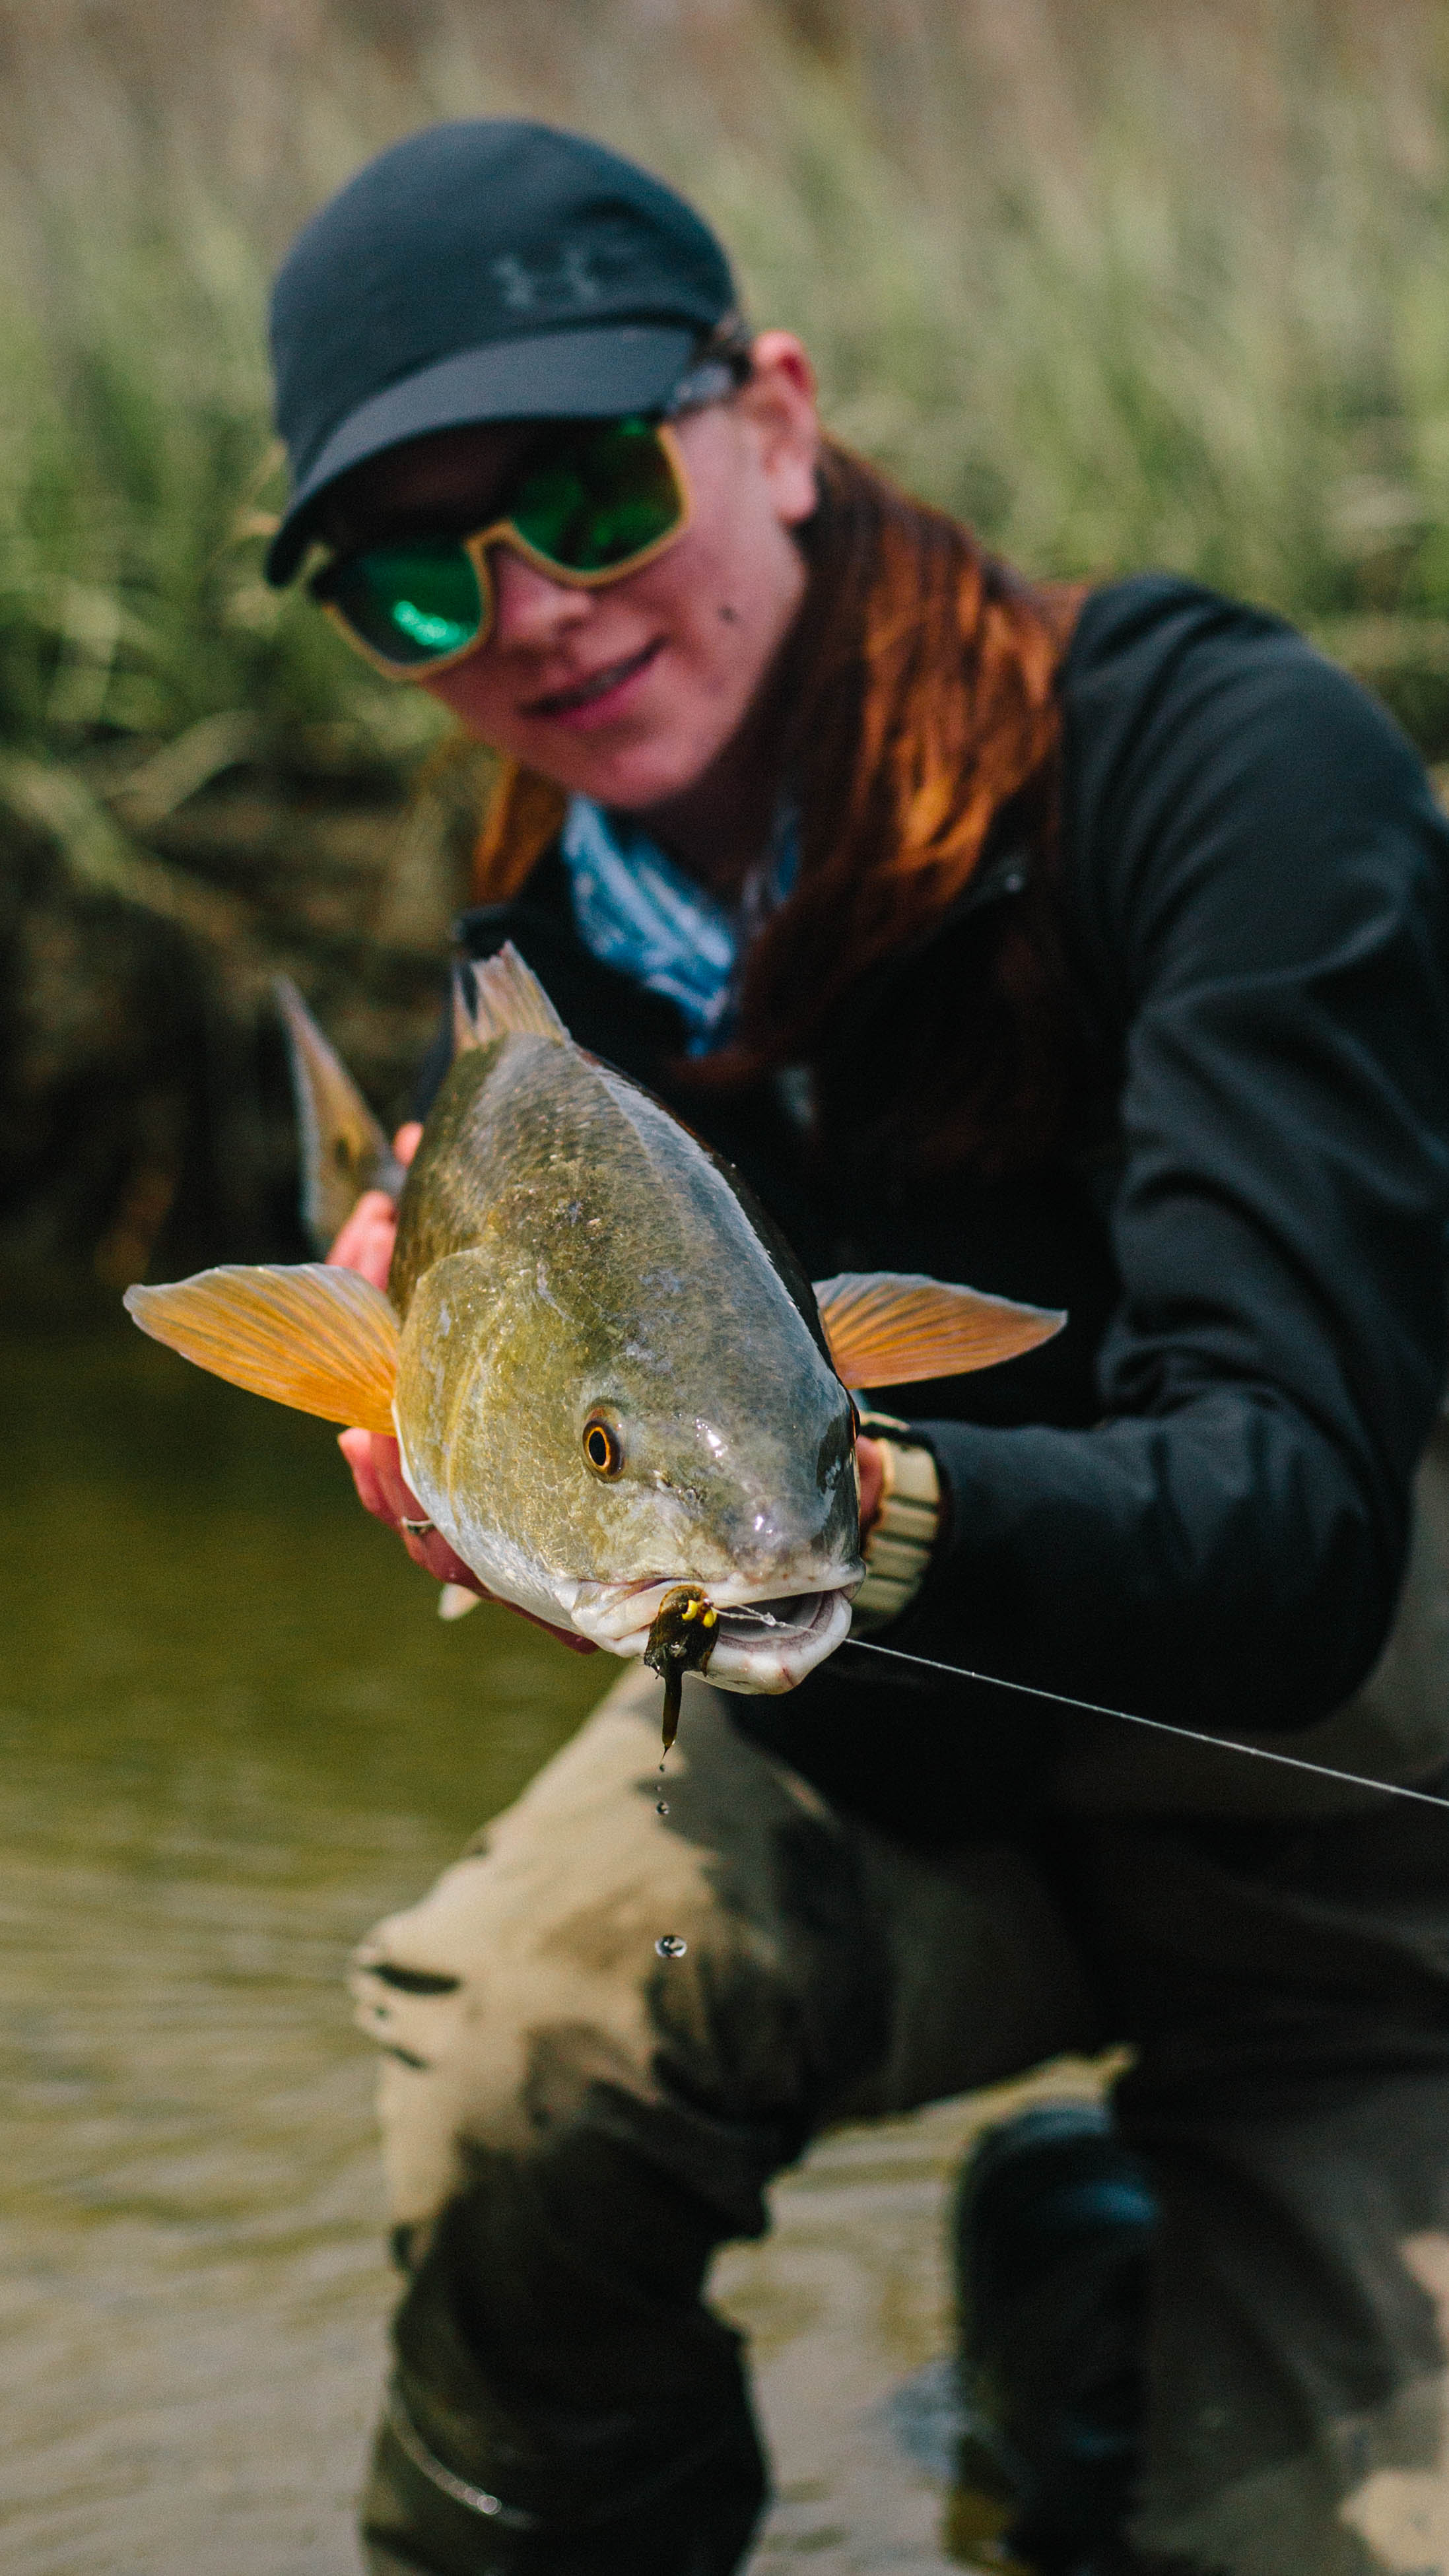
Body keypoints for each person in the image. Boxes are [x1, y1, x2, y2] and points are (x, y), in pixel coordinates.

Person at [262, 120, 1449, 2576]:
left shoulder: (1227, 771)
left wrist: (845, 1506)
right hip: (891, 1776)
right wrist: (460, 1421)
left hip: (1342, 1849)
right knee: (516, 2038)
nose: (529, 614)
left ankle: (1103, 2294)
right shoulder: (540, 929)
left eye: (585, 493)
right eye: (408, 574)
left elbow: (1301, 1532)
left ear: (773, 417)